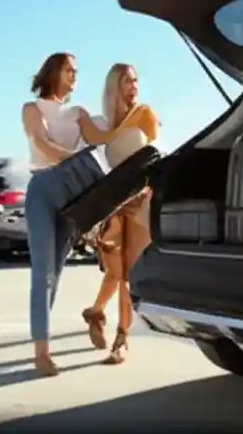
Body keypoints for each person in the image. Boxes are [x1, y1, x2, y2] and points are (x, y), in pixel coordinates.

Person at [77, 63, 160, 365]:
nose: (133, 86)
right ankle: (96, 312)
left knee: (127, 274)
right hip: (111, 203)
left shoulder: (144, 114)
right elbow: (100, 147)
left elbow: (149, 151)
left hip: (140, 200)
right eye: (126, 81)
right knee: (115, 270)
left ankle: (121, 337)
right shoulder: (103, 124)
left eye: (136, 80)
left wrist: (95, 131)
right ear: (114, 86)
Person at [21, 51, 96, 378]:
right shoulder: (32, 108)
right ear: (54, 72)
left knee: (56, 274)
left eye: (77, 71)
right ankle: (42, 352)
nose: (74, 75)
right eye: (69, 70)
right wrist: (78, 161)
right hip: (42, 188)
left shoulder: (80, 112)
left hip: (72, 196)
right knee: (42, 274)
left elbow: (101, 144)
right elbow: (42, 143)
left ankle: (42, 341)